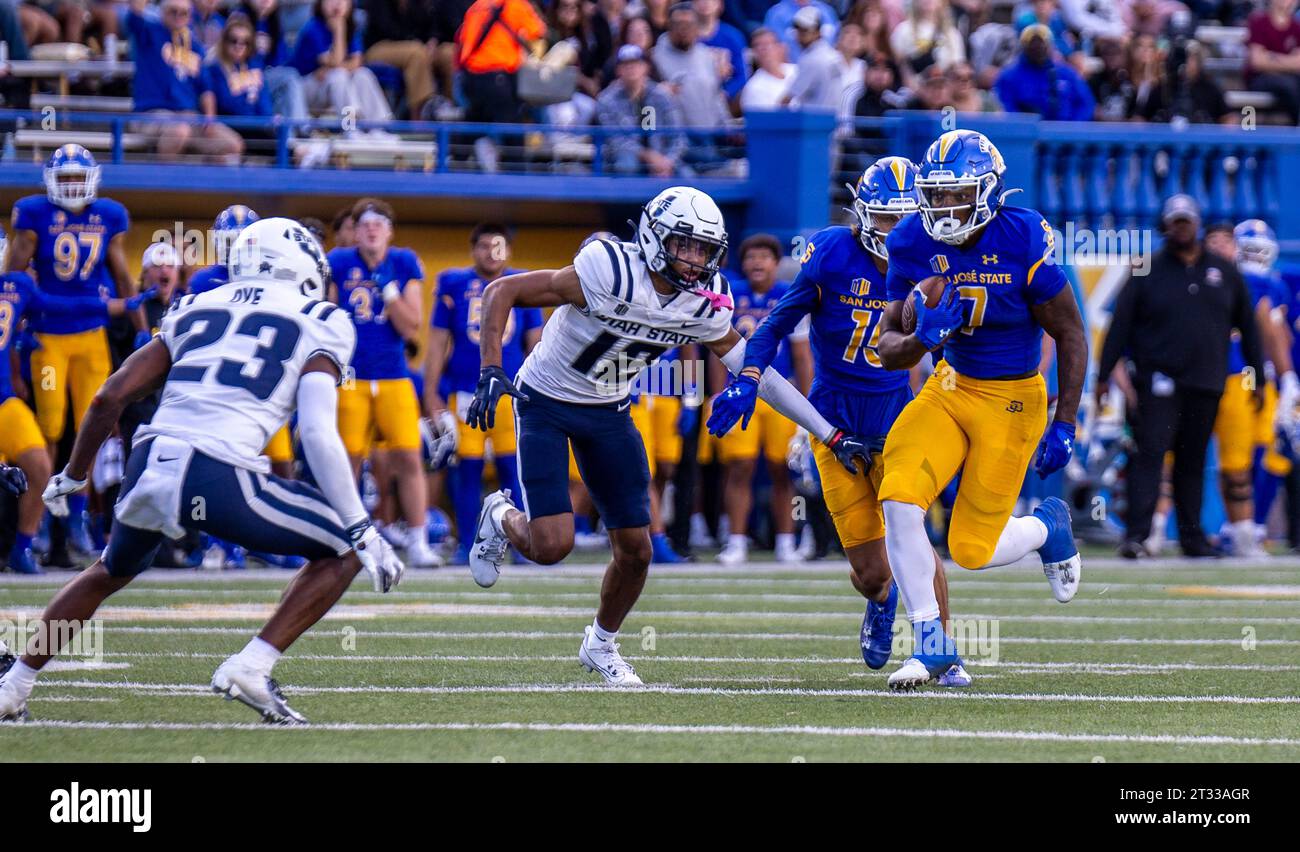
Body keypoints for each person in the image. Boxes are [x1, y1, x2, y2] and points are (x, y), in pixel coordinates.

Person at [0, 218, 406, 724]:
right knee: (342, 548)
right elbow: (320, 434)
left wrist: (76, 473)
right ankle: (252, 666)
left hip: (149, 461)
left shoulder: (196, 305)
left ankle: (14, 685)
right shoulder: (322, 318)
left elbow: (111, 395)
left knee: (109, 571)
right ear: (301, 264)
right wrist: (362, 525)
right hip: (218, 472)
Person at [463, 187, 870, 685]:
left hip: (610, 409)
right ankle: (500, 514)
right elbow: (502, 291)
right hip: (546, 400)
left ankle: (601, 645)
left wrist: (828, 434)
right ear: (655, 237)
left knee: (637, 549)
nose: (696, 259)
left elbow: (757, 369)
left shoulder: (702, 303)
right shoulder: (607, 269)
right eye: (686, 245)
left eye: (705, 248)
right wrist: (489, 368)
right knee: (551, 545)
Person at [709, 157, 967, 684]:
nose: (895, 233)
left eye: (904, 220)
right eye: (885, 220)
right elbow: (777, 322)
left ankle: (944, 655)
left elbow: (951, 352)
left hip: (898, 417)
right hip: (834, 421)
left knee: (913, 532)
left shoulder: (932, 257)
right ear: (861, 214)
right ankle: (882, 598)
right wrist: (749, 375)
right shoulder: (830, 252)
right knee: (871, 572)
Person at [874, 129, 1088, 690]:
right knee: (898, 497)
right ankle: (931, 643)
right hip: (950, 386)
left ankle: (1048, 528)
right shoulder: (911, 241)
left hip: (1013, 398)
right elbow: (886, 347)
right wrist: (923, 337)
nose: (943, 208)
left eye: (956, 195)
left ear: (989, 192)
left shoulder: (1021, 235)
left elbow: (1070, 333)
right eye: (936, 195)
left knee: (972, 549)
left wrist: (1065, 420)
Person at [1097, 195, 1264, 559]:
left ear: (1197, 224)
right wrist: (1103, 375)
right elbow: (1119, 325)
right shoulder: (1146, 268)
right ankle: (1138, 536)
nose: (1182, 227)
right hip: (1157, 382)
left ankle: (1192, 538)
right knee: (1149, 455)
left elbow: (1249, 329)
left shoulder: (1225, 271)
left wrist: (1258, 378)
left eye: (1187, 221)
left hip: (1206, 382)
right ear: (1165, 225)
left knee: (1193, 459)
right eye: (1176, 221)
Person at [4, 145, 143, 563]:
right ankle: (42, 520)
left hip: (91, 337)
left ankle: (77, 518)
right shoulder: (33, 214)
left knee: (91, 430)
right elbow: (11, 277)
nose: (70, 186)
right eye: (62, 178)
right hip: (48, 336)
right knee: (49, 429)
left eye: (76, 178)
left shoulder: (110, 216)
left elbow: (121, 273)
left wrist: (142, 331)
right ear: (49, 180)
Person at [330, 198, 439, 568]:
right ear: (355, 231)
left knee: (409, 456)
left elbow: (410, 326)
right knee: (346, 460)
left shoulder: (404, 261)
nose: (372, 229)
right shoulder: (339, 262)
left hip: (394, 375)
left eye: (379, 223)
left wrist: (385, 284)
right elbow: (326, 319)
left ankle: (419, 542)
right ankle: (342, 539)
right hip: (351, 376)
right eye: (365, 224)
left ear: (389, 231)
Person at [425, 223, 542, 564]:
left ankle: (523, 543)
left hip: (510, 394)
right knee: (467, 470)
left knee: (515, 470)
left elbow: (535, 342)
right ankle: (468, 543)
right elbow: (437, 341)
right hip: (465, 391)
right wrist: (431, 391)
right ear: (472, 249)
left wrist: (538, 390)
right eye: (485, 246)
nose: (492, 253)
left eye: (498, 246)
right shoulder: (454, 283)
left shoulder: (523, 282)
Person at [710, 234, 810, 566]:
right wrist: (714, 392)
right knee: (739, 468)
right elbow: (715, 348)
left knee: (783, 470)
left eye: (764, 256)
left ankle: (786, 542)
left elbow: (801, 354)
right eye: (751, 256)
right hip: (738, 392)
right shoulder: (730, 292)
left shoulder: (789, 294)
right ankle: (736, 541)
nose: (757, 262)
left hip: (780, 394)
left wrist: (806, 407)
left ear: (776, 263)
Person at [1210, 219, 1296, 556]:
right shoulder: (1234, 281)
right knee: (1240, 458)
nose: (1255, 256)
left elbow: (1279, 333)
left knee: (1267, 453)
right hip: (1242, 375)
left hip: (1261, 377)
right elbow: (1269, 327)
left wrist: (1286, 377)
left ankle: (1248, 526)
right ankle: (1240, 528)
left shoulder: (1273, 284)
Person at [126, 0, 245, 162]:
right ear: (163, 13)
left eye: (184, 13)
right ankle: (163, 184)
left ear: (190, 15)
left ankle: (202, 184)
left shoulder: (194, 46)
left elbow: (206, 88)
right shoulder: (149, 32)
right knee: (180, 131)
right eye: (173, 11)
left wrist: (210, 118)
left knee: (232, 144)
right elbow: (135, 11)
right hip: (151, 111)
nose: (178, 16)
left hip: (188, 114)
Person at [290, 0, 395, 133]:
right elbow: (336, 61)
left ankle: (380, 127)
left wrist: (336, 67)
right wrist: (339, 31)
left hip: (330, 83)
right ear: (320, 4)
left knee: (362, 74)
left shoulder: (351, 27)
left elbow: (357, 62)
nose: (338, 4)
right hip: (304, 88)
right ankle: (351, 128)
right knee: (338, 76)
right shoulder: (313, 28)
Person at [596, 44, 687, 176]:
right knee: (626, 164)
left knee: (688, 176)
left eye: (636, 63)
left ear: (646, 67)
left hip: (663, 158)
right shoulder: (606, 100)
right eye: (625, 64)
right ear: (618, 70)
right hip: (627, 158)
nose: (631, 68)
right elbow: (615, 140)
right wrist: (647, 156)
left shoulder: (661, 95)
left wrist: (668, 161)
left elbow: (678, 136)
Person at [200, 15, 276, 150]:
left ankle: (303, 153)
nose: (239, 46)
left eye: (245, 42)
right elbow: (226, 103)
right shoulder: (215, 69)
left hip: (256, 127)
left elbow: (265, 103)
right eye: (233, 41)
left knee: (278, 136)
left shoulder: (254, 66)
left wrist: (265, 119)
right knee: (276, 146)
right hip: (232, 125)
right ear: (224, 42)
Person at [994, 24, 1094, 121]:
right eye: (1033, 43)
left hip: (1065, 133)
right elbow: (1006, 107)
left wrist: (1072, 127)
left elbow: (1086, 104)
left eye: (1042, 42)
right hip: (1027, 134)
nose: (1038, 47)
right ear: (1024, 46)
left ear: (1050, 45)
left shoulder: (1067, 74)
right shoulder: (1009, 76)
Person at [362, 0, 438, 119]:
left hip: (410, 48)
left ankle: (447, 115)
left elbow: (427, 25)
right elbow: (385, 30)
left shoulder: (416, 4)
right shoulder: (378, 3)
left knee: (437, 54)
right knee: (416, 53)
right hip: (377, 48)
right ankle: (418, 118)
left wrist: (432, 40)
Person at [1246, 0, 1300, 125]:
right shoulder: (1259, 23)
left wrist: (1272, 57)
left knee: (1291, 84)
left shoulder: (1296, 27)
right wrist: (1288, 62)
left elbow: (1299, 63)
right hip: (1260, 79)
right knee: (1287, 84)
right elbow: (1257, 61)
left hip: (1291, 80)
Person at [780, 5, 841, 111]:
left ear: (817, 32)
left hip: (815, 121)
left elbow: (788, 99)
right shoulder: (834, 55)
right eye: (798, 30)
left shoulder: (812, 58)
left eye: (805, 31)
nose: (799, 35)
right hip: (833, 119)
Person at [739, 27, 796, 111]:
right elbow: (767, 121)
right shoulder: (753, 88)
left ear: (781, 47)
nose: (764, 49)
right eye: (757, 45)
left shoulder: (797, 70)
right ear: (753, 53)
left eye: (768, 44)